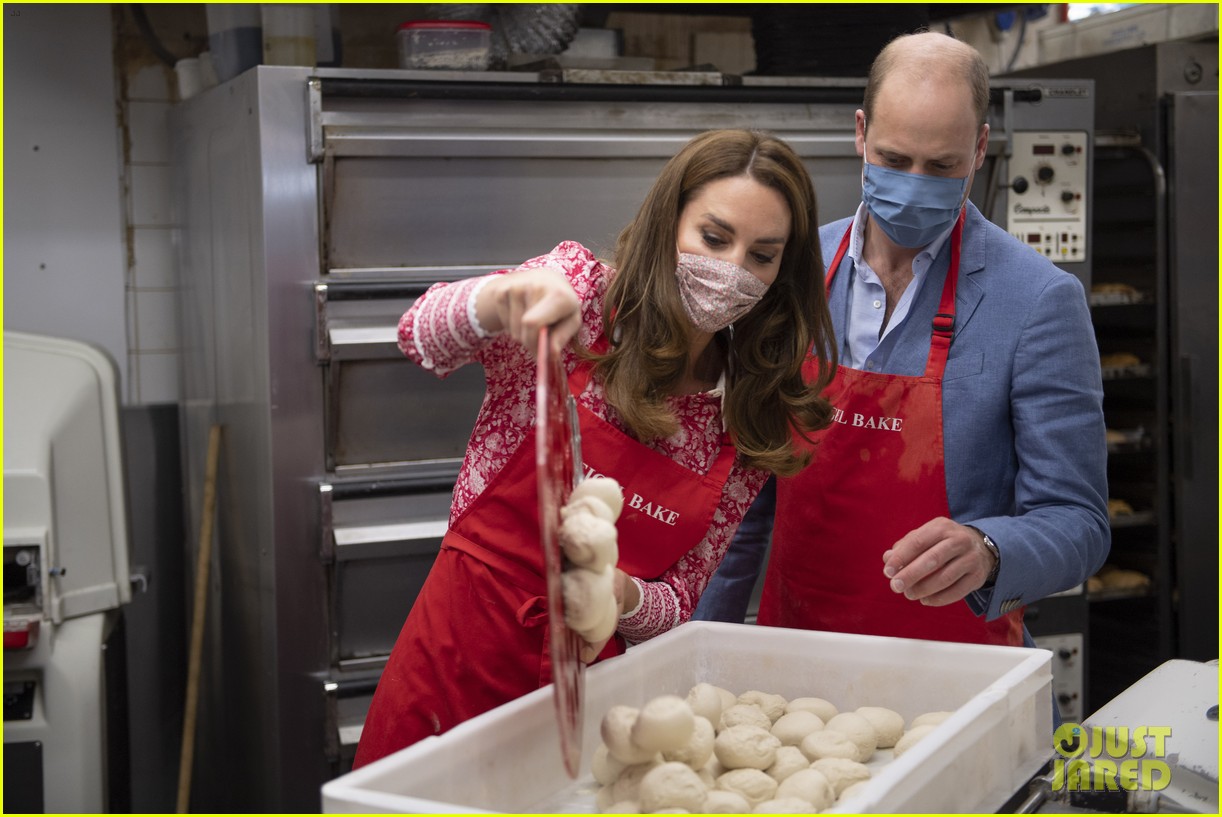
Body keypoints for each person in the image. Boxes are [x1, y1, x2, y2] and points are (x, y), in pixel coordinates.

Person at [353, 129, 838, 767]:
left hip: (588, 696)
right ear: (670, 222)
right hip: (453, 662)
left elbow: (680, 597)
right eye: (714, 238)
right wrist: (502, 300)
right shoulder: (583, 295)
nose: (732, 270)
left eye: (762, 255)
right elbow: (420, 335)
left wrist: (623, 597)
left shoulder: (746, 411)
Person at [695, 32, 1110, 652]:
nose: (915, 184)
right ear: (861, 133)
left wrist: (990, 549)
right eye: (893, 160)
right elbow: (743, 506)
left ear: (980, 148)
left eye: (941, 167)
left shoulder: (1037, 302)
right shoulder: (791, 270)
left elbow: (1079, 522)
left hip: (959, 669)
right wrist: (697, 650)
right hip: (795, 663)